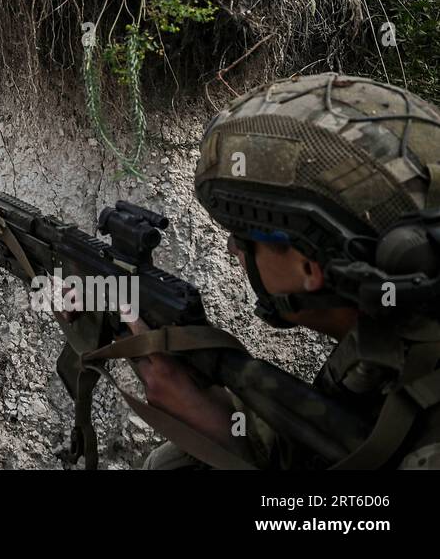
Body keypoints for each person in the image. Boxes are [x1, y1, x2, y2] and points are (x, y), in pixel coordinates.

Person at [132, 73, 440, 469]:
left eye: (243, 238)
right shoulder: (393, 346)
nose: (233, 252)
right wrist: (212, 417)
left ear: (310, 266)